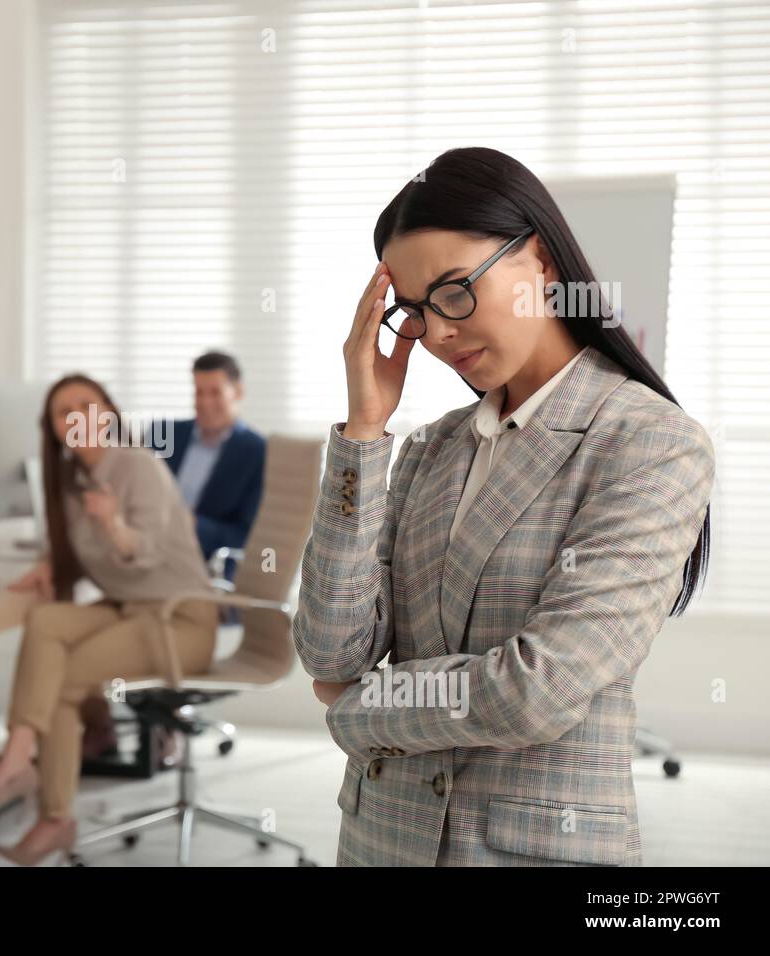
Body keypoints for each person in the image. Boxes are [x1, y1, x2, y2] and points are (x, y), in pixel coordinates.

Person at [294, 147, 715, 866]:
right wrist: (365, 429)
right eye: (416, 311)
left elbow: (536, 690)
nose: (439, 333)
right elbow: (331, 650)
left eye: (457, 291)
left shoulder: (650, 442)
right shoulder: (430, 447)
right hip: (378, 840)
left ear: (541, 262)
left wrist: (359, 706)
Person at [0, 374, 219, 865]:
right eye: (66, 412)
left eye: (89, 404)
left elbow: (146, 556)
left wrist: (112, 522)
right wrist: (49, 564)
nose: (80, 418)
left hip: (181, 621)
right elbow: (79, 559)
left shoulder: (138, 466)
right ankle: (26, 760)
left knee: (63, 680)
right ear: (55, 430)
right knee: (45, 622)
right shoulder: (69, 483)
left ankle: (43, 801)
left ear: (108, 412)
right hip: (128, 610)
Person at [157, 351, 266, 582]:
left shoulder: (257, 452)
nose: (204, 402)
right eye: (198, 392)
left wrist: (193, 525)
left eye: (215, 392)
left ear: (238, 392)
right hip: (149, 549)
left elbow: (247, 537)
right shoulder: (165, 434)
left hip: (203, 568)